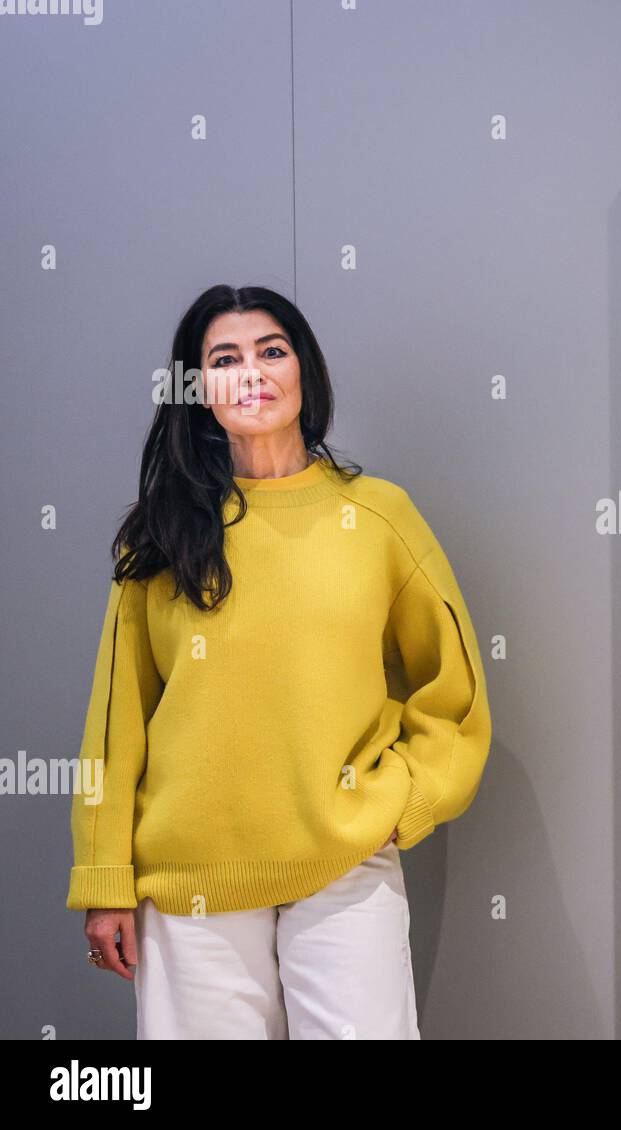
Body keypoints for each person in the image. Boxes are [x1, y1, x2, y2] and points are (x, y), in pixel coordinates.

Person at [69, 284, 493, 1037]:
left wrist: (408, 798)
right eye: (224, 358)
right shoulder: (159, 536)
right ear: (199, 390)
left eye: (272, 350)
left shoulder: (378, 517)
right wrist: (105, 880)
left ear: (305, 373)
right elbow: (117, 720)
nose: (253, 370)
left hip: (342, 866)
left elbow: (452, 690)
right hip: (190, 883)